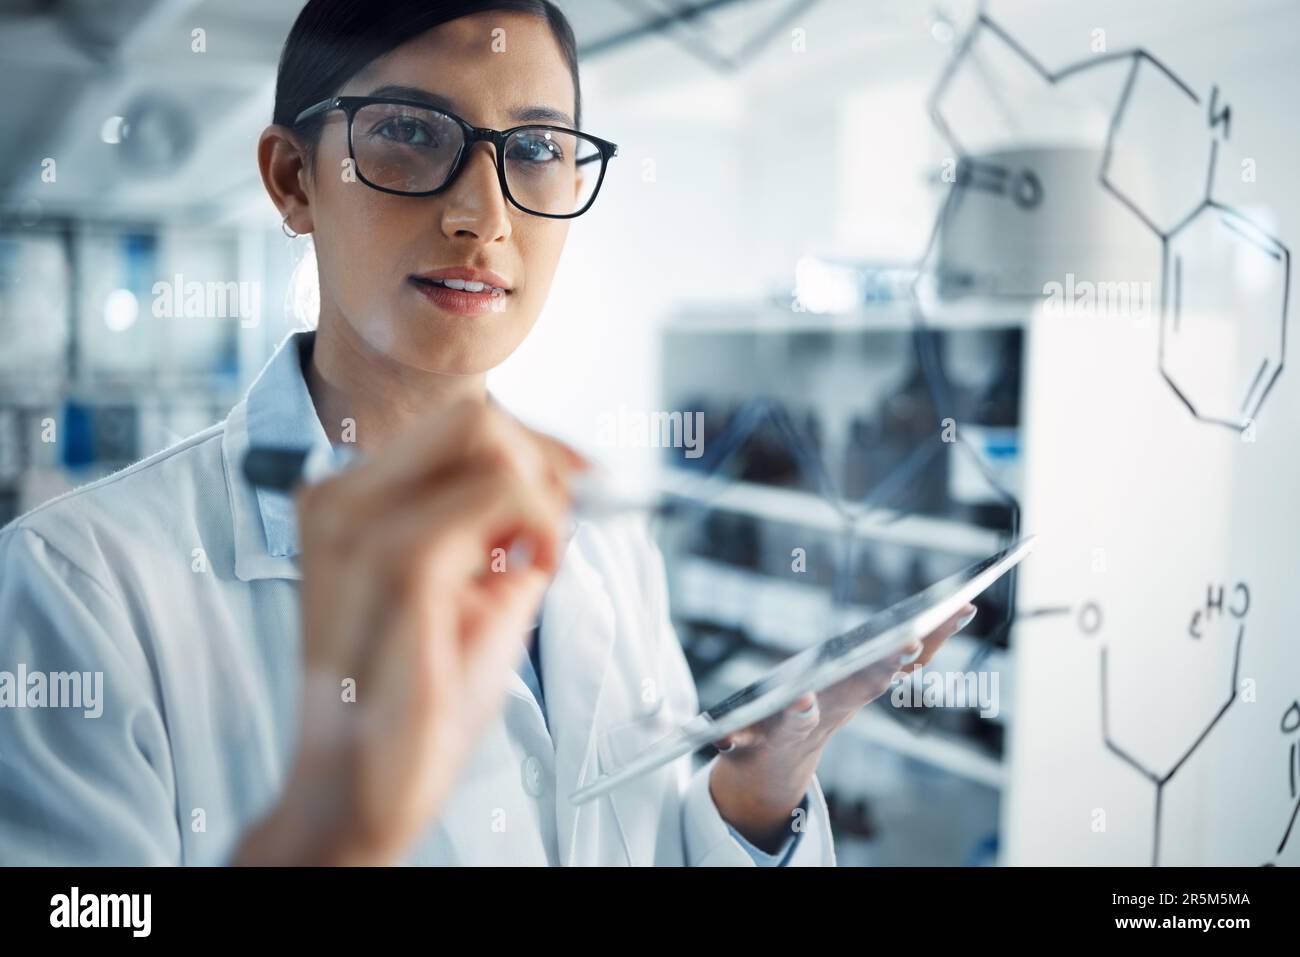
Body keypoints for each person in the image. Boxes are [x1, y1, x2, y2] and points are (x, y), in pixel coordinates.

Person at [0, 0, 972, 866]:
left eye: (539, 150)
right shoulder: (82, 584)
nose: (483, 215)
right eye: (410, 134)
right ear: (294, 179)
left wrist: (754, 804)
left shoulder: (601, 539)